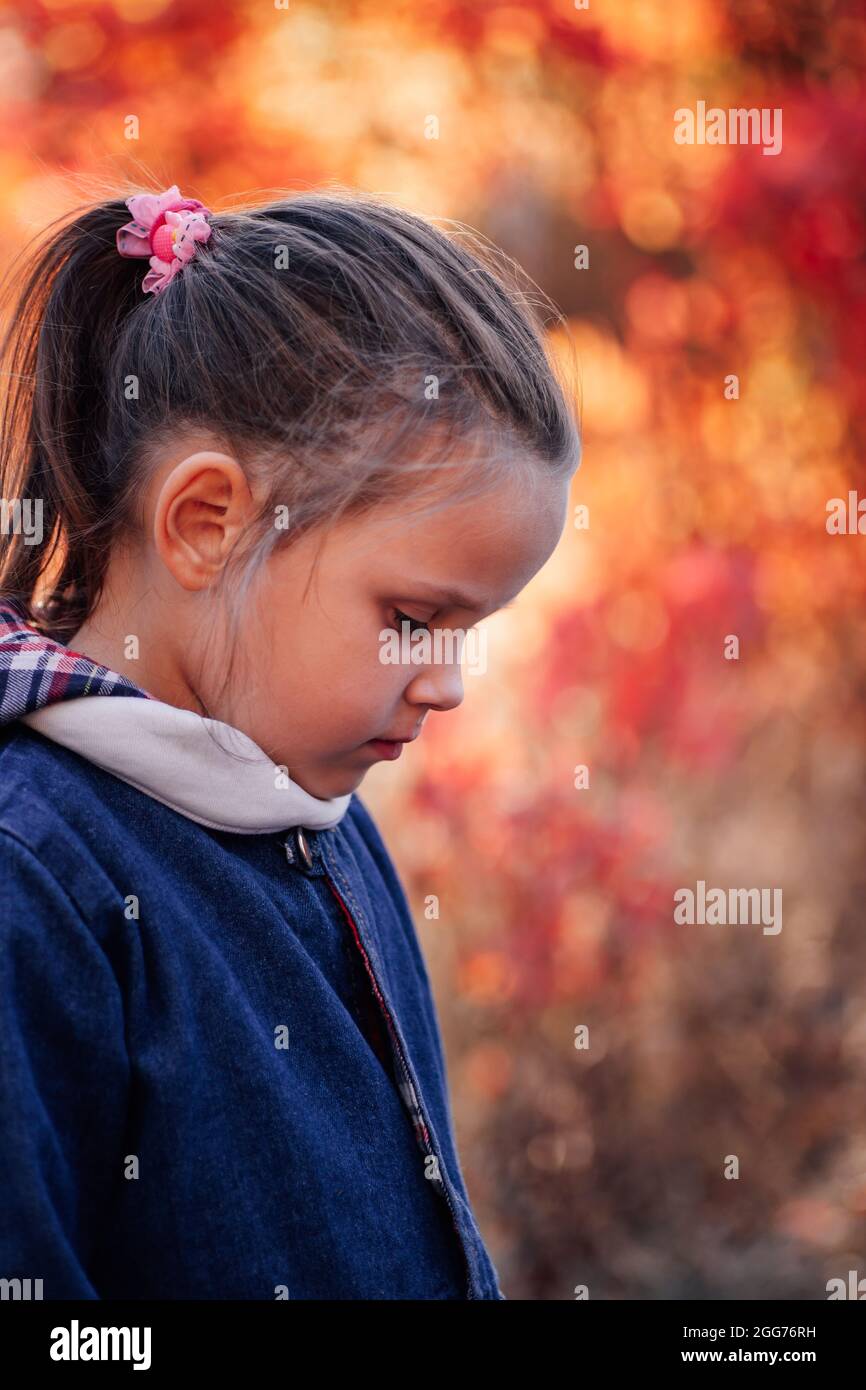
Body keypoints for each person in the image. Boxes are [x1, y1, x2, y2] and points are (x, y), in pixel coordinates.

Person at [0, 182, 581, 1299]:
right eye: (414, 619)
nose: (448, 685)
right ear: (207, 524)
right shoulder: (39, 881)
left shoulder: (324, 828)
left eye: (471, 631)